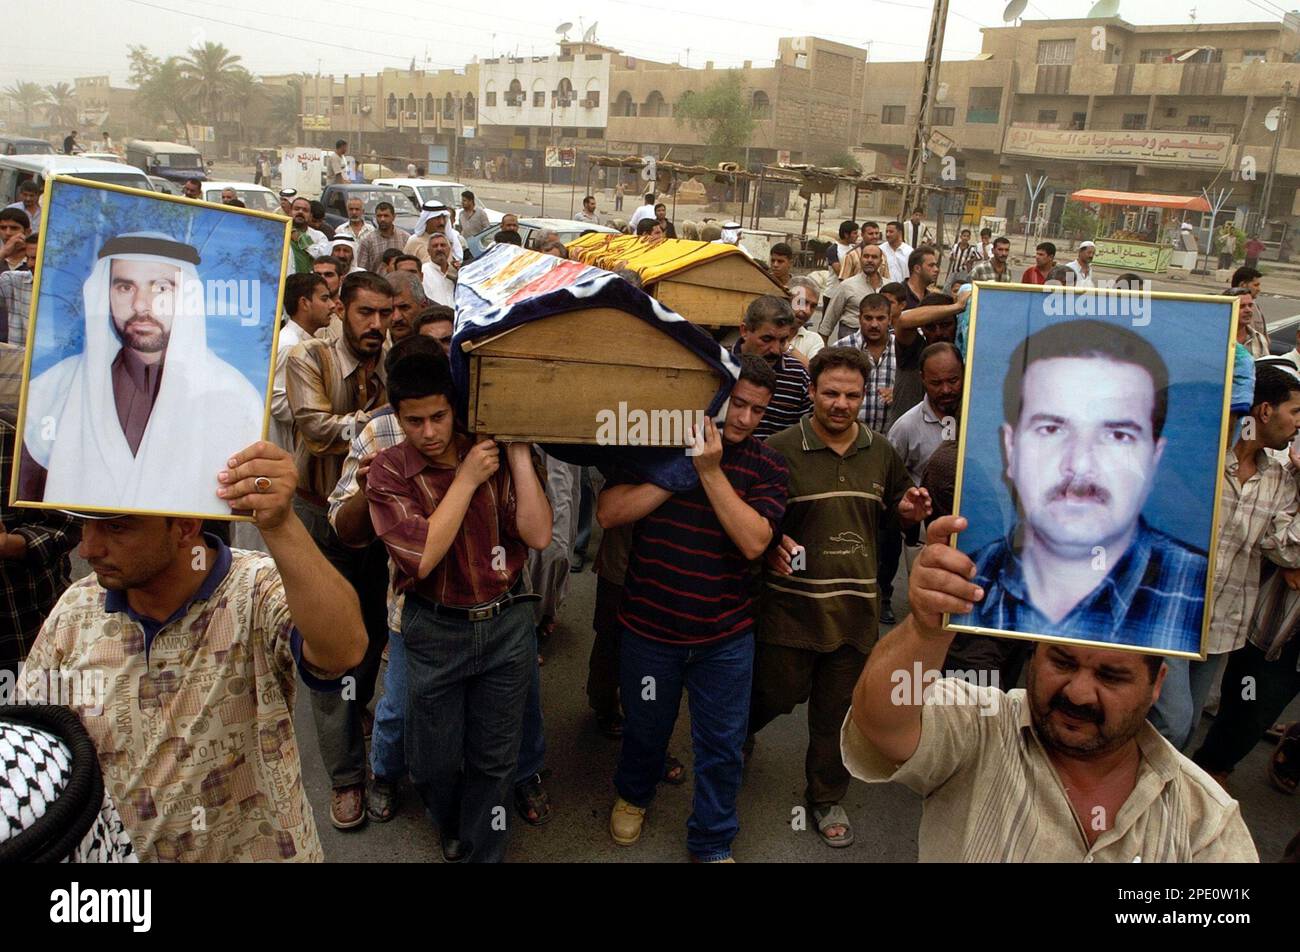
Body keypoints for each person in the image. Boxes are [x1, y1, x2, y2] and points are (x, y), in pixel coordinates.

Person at [19, 437, 370, 862]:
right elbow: (33, 744)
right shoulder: (74, 611)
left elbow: (344, 649)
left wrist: (280, 525)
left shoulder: (254, 589)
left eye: (115, 526)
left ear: (184, 526)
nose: (88, 548)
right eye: (85, 525)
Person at [842, 514, 1259, 862]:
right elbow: (882, 722)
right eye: (1061, 661)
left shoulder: (1206, 824)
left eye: (1111, 676)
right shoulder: (981, 725)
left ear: (1157, 685)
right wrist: (923, 631)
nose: (1078, 693)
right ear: (1034, 654)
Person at [366, 346, 552, 863]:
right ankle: (450, 820)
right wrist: (468, 480)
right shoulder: (388, 474)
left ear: (456, 406)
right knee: (431, 761)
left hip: (506, 623)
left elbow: (537, 534)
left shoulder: (490, 452)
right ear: (396, 417)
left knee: (495, 758)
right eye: (415, 421)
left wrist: (515, 454)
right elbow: (422, 558)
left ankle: (480, 849)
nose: (429, 432)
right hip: (434, 629)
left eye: (440, 417)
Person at [602, 356, 789, 863]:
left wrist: (707, 472)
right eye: (737, 403)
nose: (744, 419)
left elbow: (754, 542)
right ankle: (634, 795)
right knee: (645, 727)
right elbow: (608, 512)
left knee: (723, 746)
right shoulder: (658, 444)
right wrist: (676, 471)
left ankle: (711, 839)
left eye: (758, 410)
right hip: (650, 627)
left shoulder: (767, 466)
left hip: (724, 637)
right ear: (717, 394)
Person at [751, 346, 929, 848]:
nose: (841, 404)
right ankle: (735, 733)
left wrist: (909, 511)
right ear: (811, 392)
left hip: (855, 613)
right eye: (830, 393)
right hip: (790, 611)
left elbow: (895, 510)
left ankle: (827, 796)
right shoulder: (778, 450)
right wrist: (769, 544)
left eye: (852, 395)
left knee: (836, 715)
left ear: (864, 396)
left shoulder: (880, 451)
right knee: (773, 696)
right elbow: (752, 525)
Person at [951, 320, 1208, 655]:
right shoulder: (965, 582)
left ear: (1154, 458)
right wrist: (922, 631)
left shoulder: (1195, 592)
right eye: (1051, 429)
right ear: (1011, 450)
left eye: (1117, 435)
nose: (1081, 466)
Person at [19, 232, 264, 514]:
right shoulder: (51, 389)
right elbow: (32, 505)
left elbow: (238, 515)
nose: (140, 305)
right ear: (105, 293)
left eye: (161, 288)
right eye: (125, 287)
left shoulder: (234, 395)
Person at [284, 271, 395, 829]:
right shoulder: (309, 356)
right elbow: (317, 430)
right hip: (317, 517)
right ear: (340, 312)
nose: (376, 325)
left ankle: (362, 713)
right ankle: (346, 776)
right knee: (327, 648)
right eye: (364, 314)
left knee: (373, 630)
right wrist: (385, 426)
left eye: (384, 315)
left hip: (375, 518)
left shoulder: (392, 351)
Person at [1152, 364, 1300, 751]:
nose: (1299, 424)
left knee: (1184, 733)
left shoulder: (1279, 480)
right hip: (1169, 612)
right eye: (1296, 412)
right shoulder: (1204, 459)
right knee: (1173, 722)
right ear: (1265, 411)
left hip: (1223, 624)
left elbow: (1283, 548)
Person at [733, 295, 811, 441]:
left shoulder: (799, 377)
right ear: (744, 331)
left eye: (783, 341)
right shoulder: (718, 366)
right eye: (767, 339)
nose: (775, 350)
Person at [269, 273, 332, 452]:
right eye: (325, 299)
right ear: (304, 303)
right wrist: (318, 418)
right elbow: (277, 402)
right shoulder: (289, 344)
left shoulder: (302, 341)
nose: (332, 305)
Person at [887, 342, 963, 486]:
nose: (946, 390)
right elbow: (888, 480)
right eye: (936, 383)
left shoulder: (978, 419)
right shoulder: (906, 427)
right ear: (923, 379)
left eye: (953, 381)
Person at [818, 243, 885, 342]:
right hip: (850, 339)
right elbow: (828, 321)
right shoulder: (847, 286)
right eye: (866, 256)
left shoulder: (888, 286)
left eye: (874, 257)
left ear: (880, 261)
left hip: (880, 341)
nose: (870, 260)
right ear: (860, 259)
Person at [358, 202, 411, 272]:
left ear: (393, 217)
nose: (382, 219)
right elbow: (362, 269)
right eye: (379, 216)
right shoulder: (367, 241)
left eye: (386, 216)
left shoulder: (405, 238)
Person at [406, 202, 464, 266]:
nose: (442, 222)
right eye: (437, 218)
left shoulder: (451, 238)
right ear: (427, 219)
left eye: (444, 217)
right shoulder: (414, 241)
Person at [787, 276, 825, 362]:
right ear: (787, 299)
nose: (807, 311)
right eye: (801, 302)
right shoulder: (763, 332)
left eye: (813, 306)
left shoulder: (814, 340)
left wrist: (786, 347)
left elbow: (814, 371)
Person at [421, 233, 456, 307]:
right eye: (435, 246)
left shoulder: (456, 271)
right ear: (428, 251)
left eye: (443, 245)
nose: (439, 249)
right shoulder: (423, 272)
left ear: (449, 249)